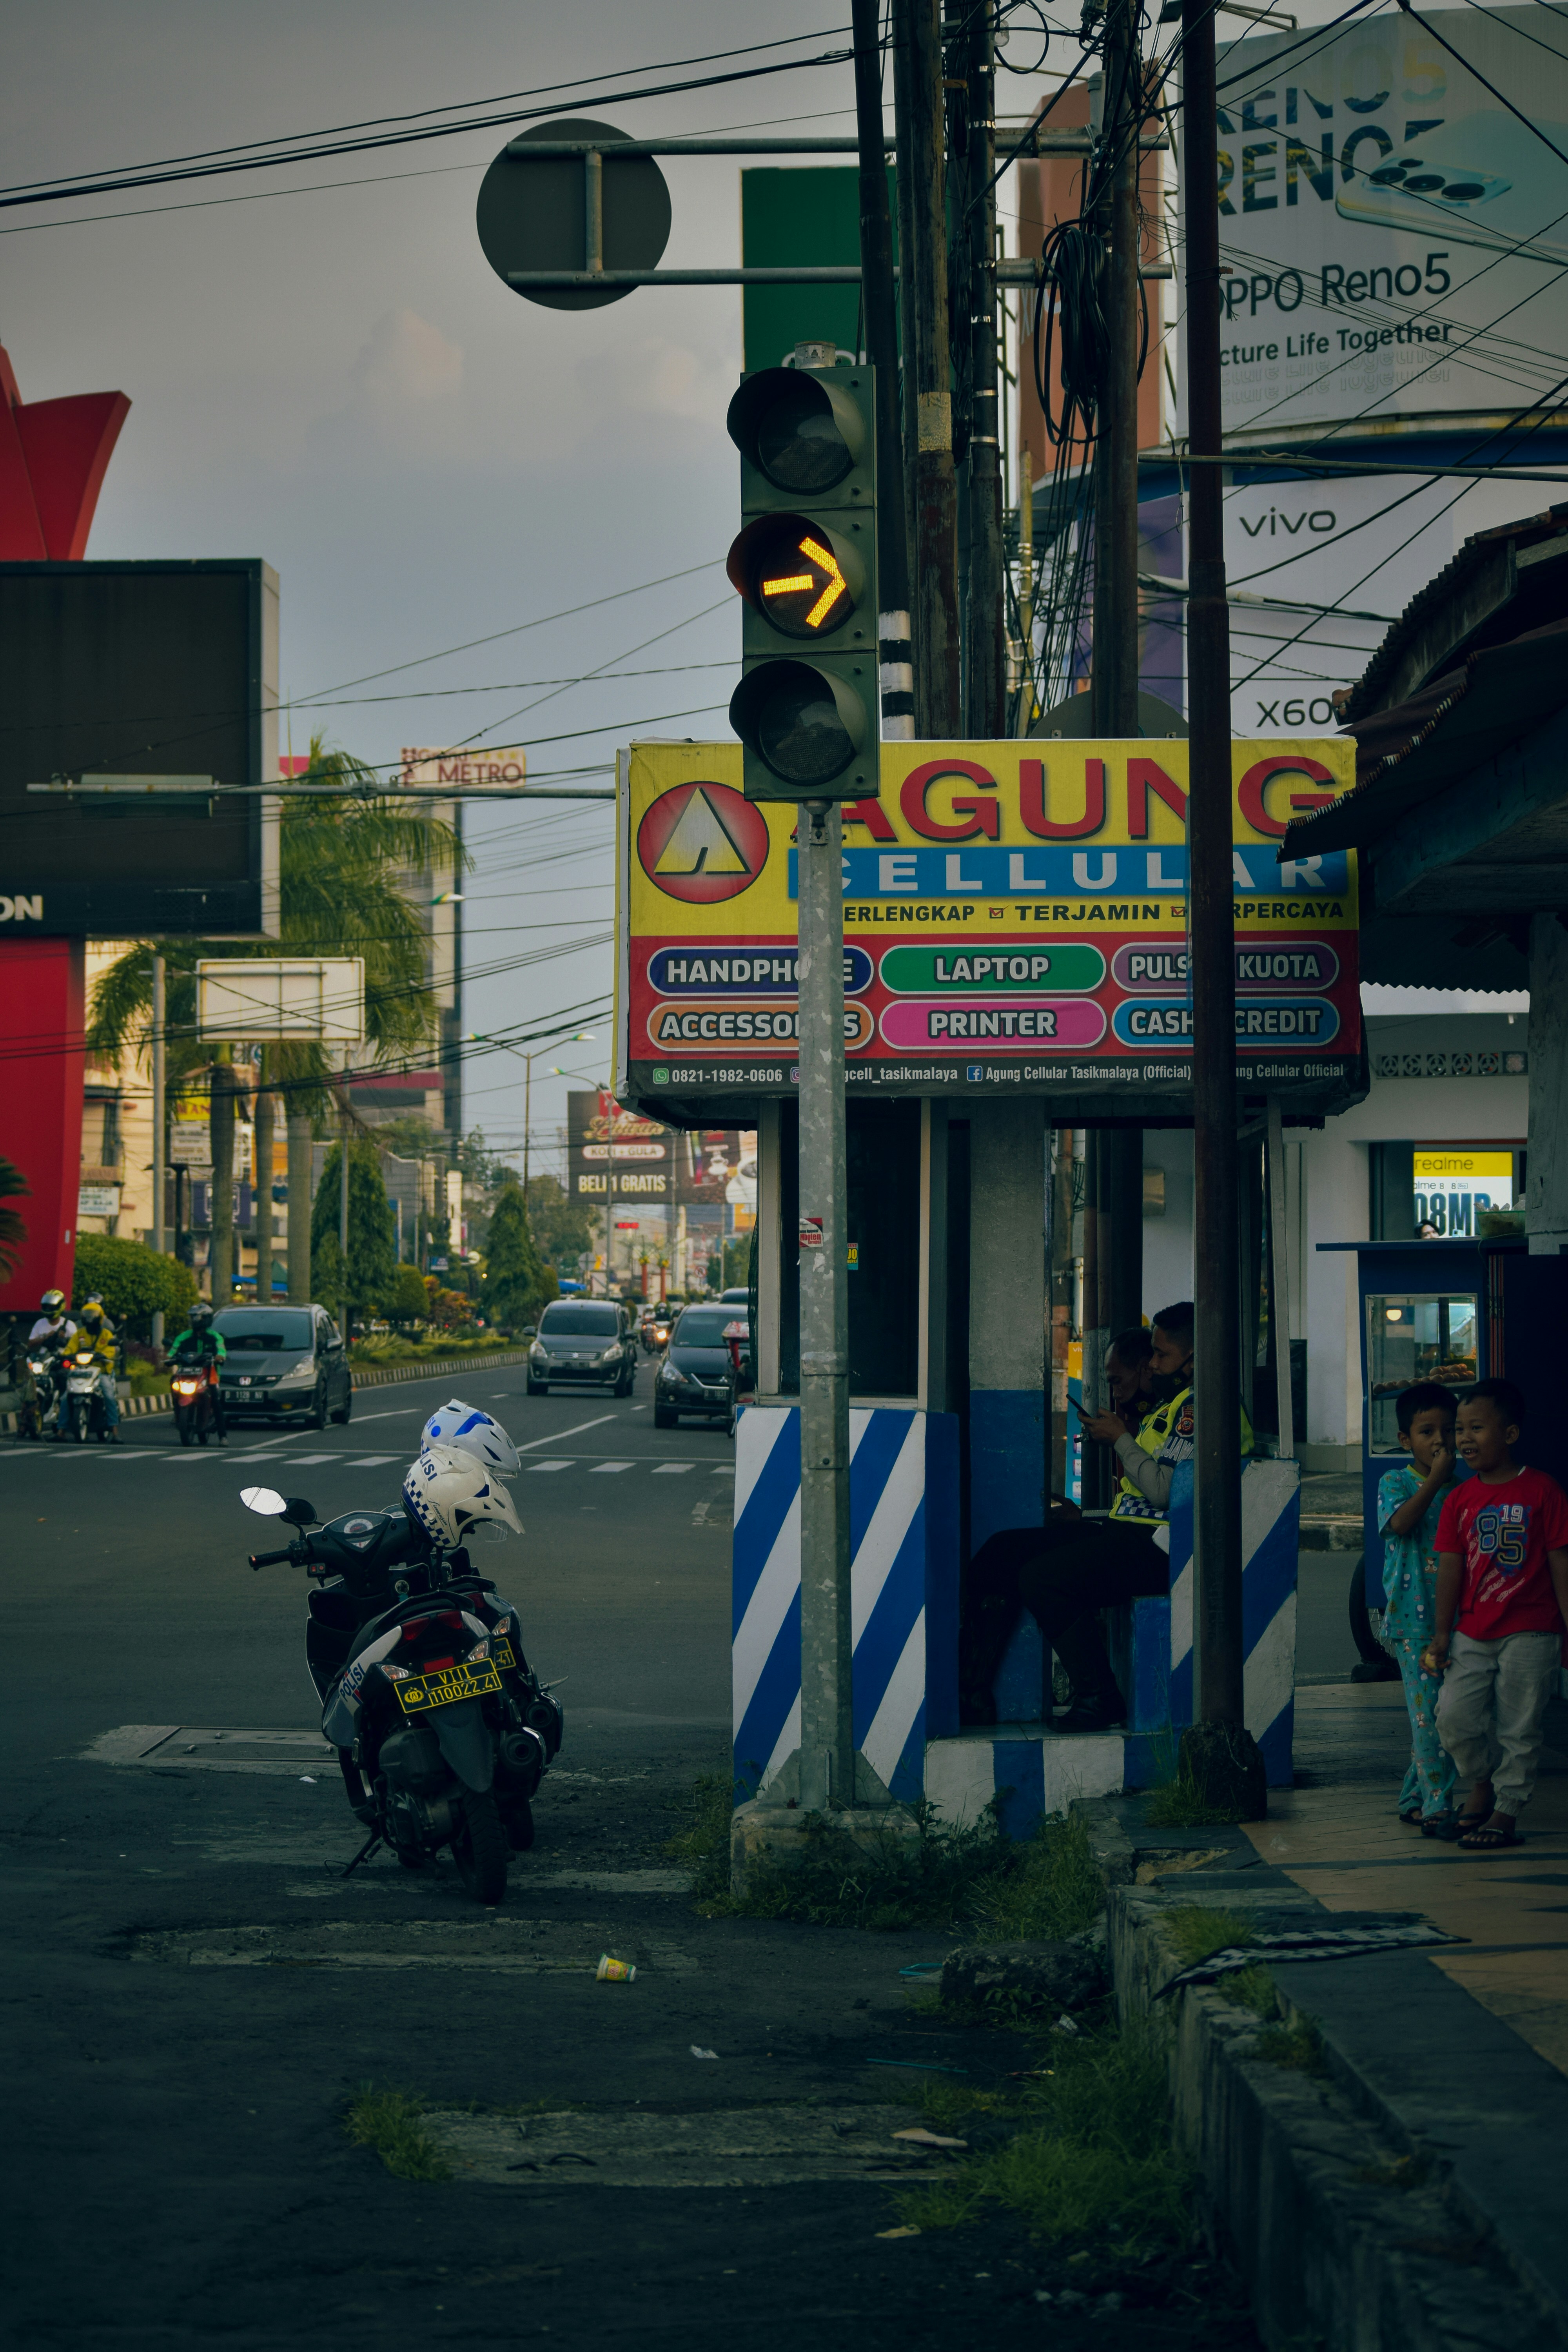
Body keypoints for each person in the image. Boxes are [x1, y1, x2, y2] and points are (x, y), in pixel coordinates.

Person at [1428, 1379, 1568, 1852]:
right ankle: (1481, 1781)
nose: (1463, 1439)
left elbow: (1560, 1562)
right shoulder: (1458, 1499)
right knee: (1453, 1716)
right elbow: (1449, 1567)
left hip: (1532, 1629)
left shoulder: (1543, 1491)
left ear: (1509, 1434)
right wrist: (1441, 1633)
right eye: (1459, 1430)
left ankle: (1506, 1809)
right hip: (1471, 1629)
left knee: (1519, 1723)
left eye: (1476, 1428)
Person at [1376, 1382, 1460, 1834]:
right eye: (1426, 1431)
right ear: (1406, 1440)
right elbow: (1402, 1523)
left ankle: (1414, 1795)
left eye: (1448, 1430)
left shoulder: (1464, 1490)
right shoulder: (1395, 1482)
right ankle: (1437, 1806)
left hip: (1458, 1621)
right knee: (1428, 1717)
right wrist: (1434, 1481)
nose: (1440, 1440)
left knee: (1442, 1714)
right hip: (1412, 1620)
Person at [60, 1294, 121, 1441]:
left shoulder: (106, 1334)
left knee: (109, 1396)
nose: (90, 1319)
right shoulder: (79, 1334)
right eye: (87, 1315)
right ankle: (61, 1431)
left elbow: (110, 1351)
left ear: (100, 1317)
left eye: (93, 1315)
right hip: (80, 1371)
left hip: (101, 1372)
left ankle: (114, 1431)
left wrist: (102, 1355)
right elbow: (70, 1349)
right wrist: (67, 1355)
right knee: (65, 1397)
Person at [168, 1303, 227, 1436]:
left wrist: (220, 1357)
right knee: (173, 1383)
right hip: (186, 1374)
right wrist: (168, 1359)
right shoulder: (183, 1337)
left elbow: (222, 1351)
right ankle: (177, 1411)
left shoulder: (215, 1337)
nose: (193, 1320)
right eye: (192, 1317)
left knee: (216, 1402)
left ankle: (223, 1436)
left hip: (209, 1375)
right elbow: (172, 1352)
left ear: (205, 1318)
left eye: (196, 1317)